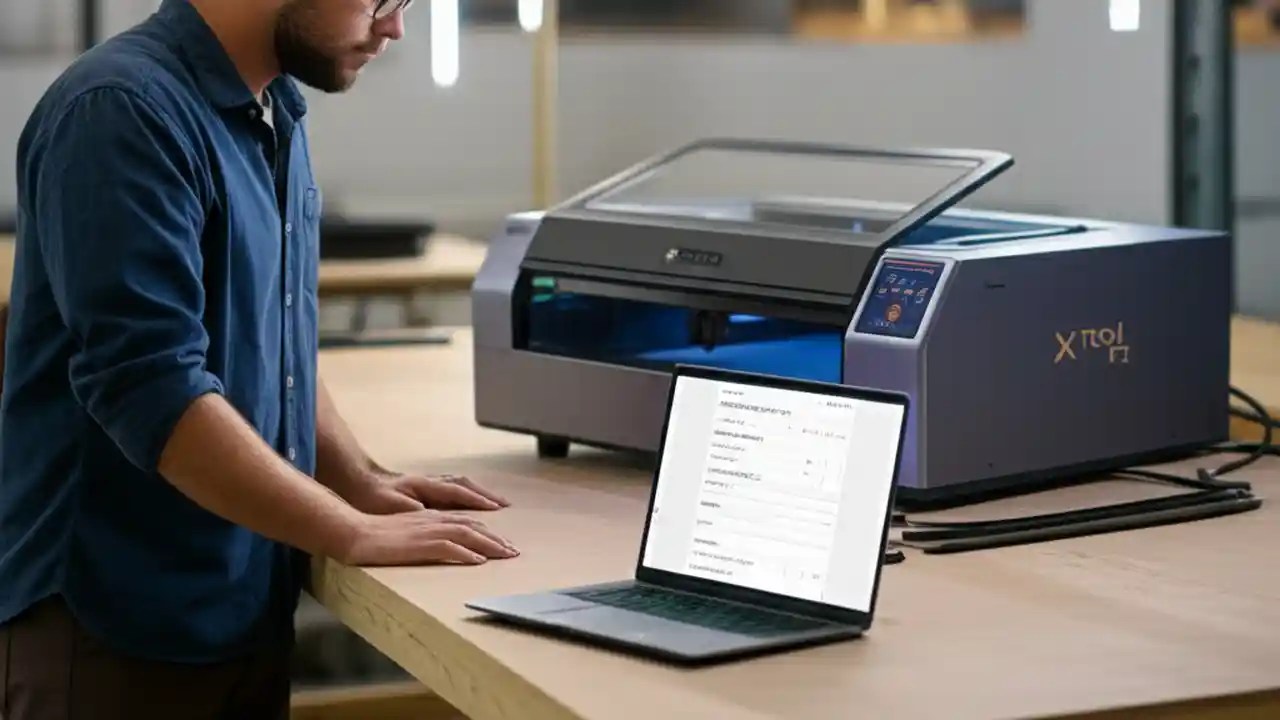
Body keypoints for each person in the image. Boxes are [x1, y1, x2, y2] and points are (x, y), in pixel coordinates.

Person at [0, 0, 519, 717]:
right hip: (114, 623)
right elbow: (153, 390)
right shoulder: (119, 112)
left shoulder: (272, 110)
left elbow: (281, 337)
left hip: (237, 603)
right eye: (382, 0)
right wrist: (347, 529)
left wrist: (361, 481)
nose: (395, 28)